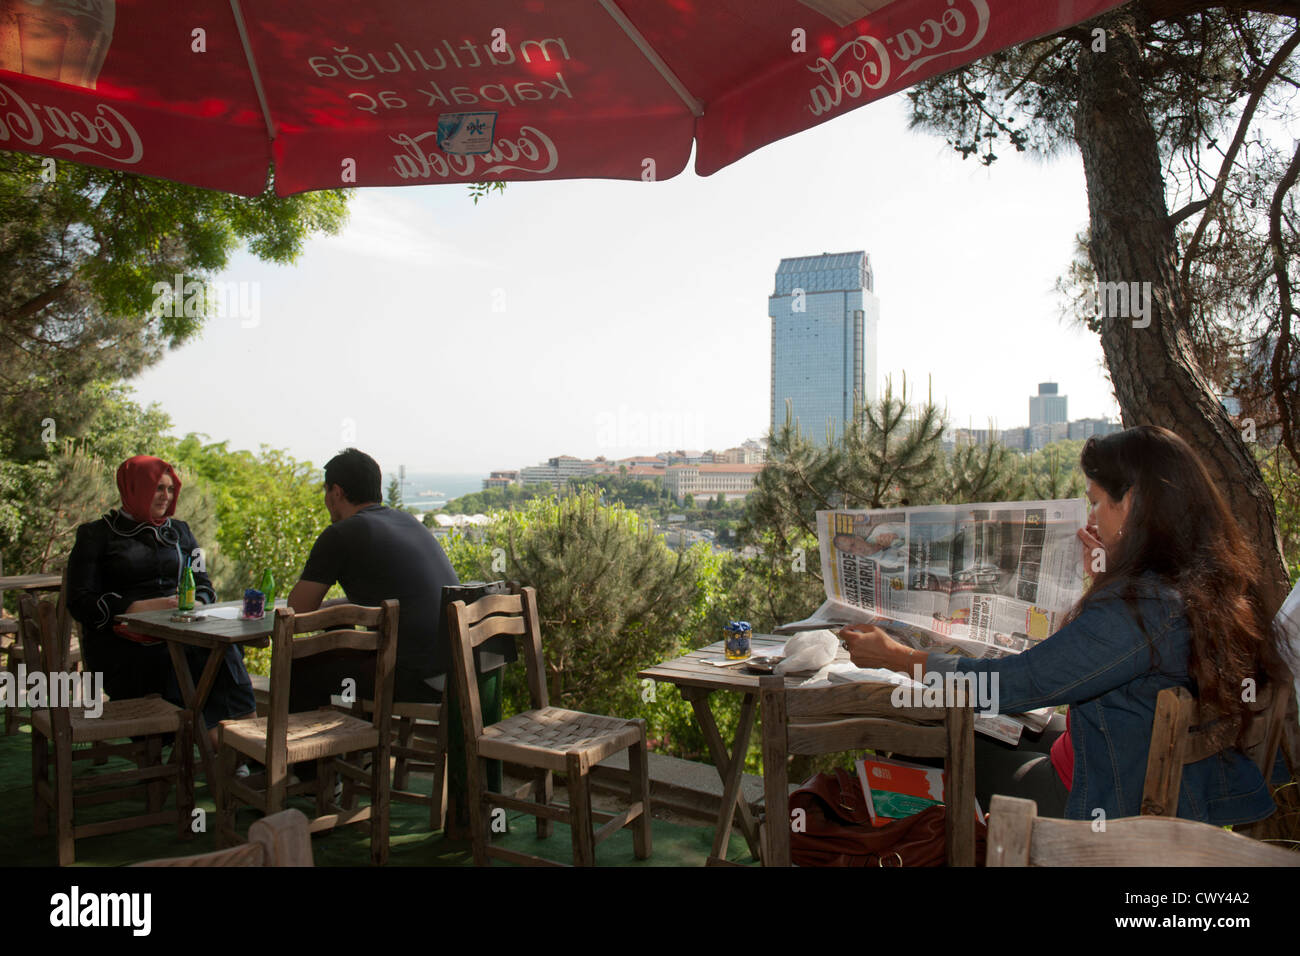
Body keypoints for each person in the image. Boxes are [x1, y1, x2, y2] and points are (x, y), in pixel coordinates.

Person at [840, 425, 1288, 825]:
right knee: (988, 733)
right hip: (1159, 774)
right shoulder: (1209, 581)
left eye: (1096, 503)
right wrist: (1108, 575)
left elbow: (1017, 683)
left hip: (1110, 801)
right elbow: (1123, 652)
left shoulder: (1140, 607)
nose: (1092, 519)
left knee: (927, 743)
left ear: (1130, 502)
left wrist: (899, 658)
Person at [66, 455, 256, 747]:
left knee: (222, 650)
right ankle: (221, 748)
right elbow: (79, 600)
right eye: (158, 488)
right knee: (202, 657)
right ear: (134, 488)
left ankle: (234, 741)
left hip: (182, 632)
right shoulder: (96, 535)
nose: (166, 496)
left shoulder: (182, 532)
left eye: (170, 489)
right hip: (124, 649)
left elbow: (204, 584)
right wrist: (133, 608)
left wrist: (192, 604)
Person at [286, 448, 459, 714]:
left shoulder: (341, 534)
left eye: (325, 492)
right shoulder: (406, 520)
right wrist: (336, 607)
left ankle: (298, 754)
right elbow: (400, 598)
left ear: (336, 492)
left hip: (412, 677)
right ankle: (352, 744)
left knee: (299, 667)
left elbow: (296, 611)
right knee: (342, 652)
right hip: (453, 672)